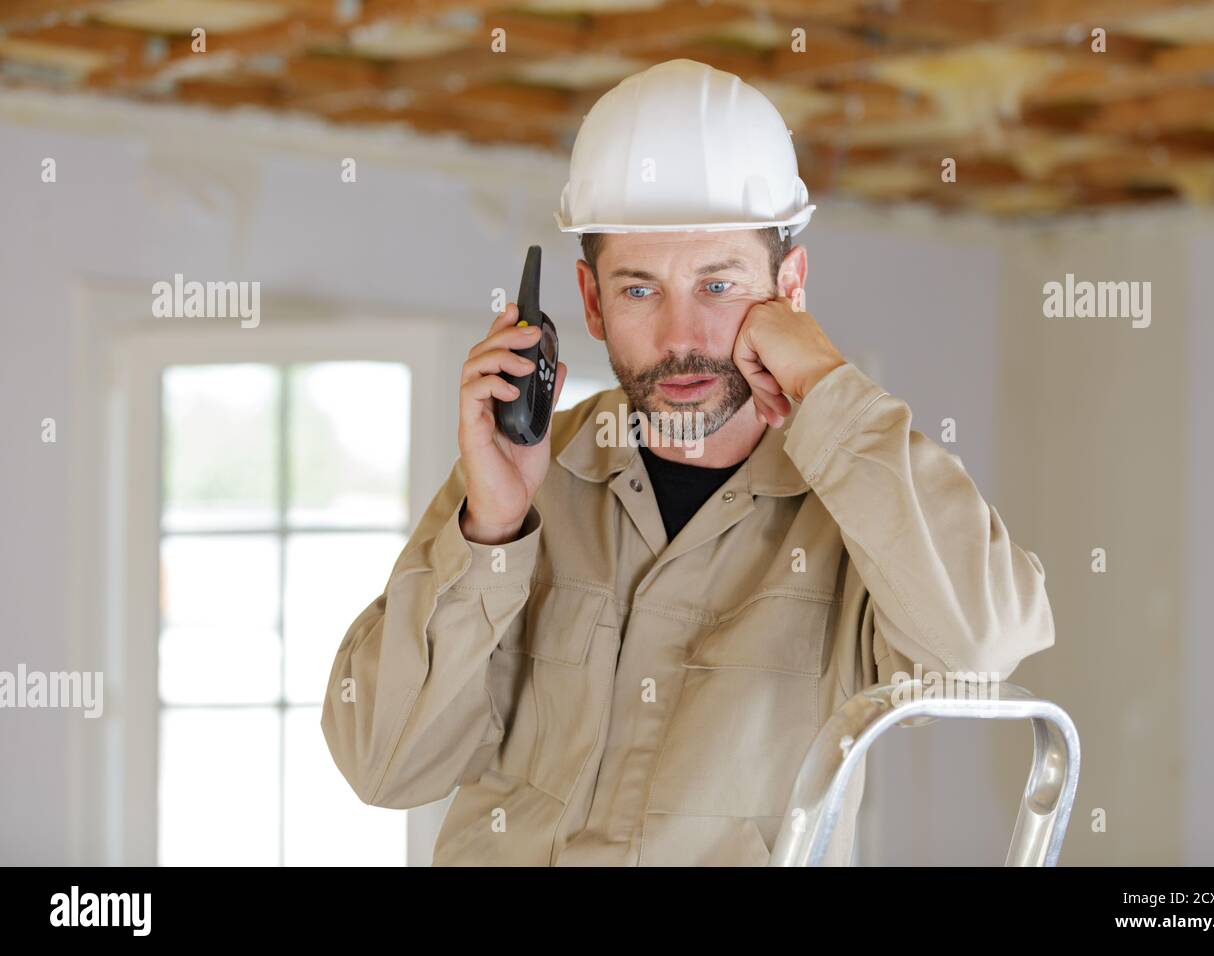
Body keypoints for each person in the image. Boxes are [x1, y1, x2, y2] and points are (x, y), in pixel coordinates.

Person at [321, 59, 1055, 866]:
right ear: (591, 302)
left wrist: (829, 389)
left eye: (718, 284)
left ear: (790, 287)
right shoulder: (523, 476)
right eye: (639, 291)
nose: (680, 337)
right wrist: (491, 530)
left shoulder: (858, 508)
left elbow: (978, 654)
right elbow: (384, 764)